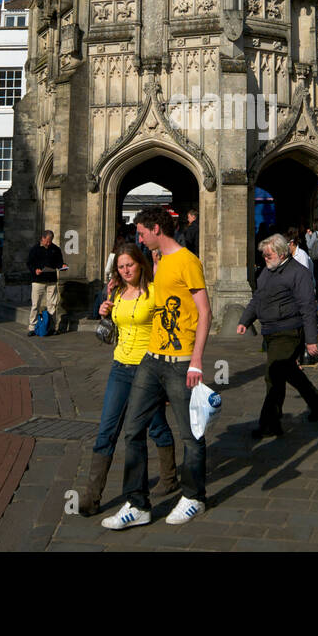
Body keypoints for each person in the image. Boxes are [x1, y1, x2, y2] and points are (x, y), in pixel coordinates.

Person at [102, 206, 211, 530]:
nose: (139, 237)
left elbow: (205, 313)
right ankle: (137, 504)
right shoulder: (157, 262)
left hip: (180, 363)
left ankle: (194, 497)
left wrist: (196, 361)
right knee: (133, 429)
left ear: (156, 230)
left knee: (191, 434)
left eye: (141, 232)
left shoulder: (188, 261)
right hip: (151, 359)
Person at [79, 243, 177, 516]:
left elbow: (170, 330)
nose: (125, 270)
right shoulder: (117, 292)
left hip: (149, 370)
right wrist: (105, 313)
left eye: (129, 265)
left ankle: (169, 478)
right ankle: (92, 496)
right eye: (121, 267)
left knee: (155, 426)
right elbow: (112, 331)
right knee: (106, 430)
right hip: (120, 367)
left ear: (140, 264)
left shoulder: (156, 292)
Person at [238, 233, 318, 439]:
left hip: (289, 331)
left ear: (280, 253)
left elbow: (307, 307)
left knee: (273, 374)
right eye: (264, 255)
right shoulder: (266, 273)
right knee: (289, 372)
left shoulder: (299, 273)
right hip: (270, 331)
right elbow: (257, 299)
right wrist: (245, 320)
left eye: (268, 255)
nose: (265, 258)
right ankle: (316, 400)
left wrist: (312, 340)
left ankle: (269, 423)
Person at [25, 230, 66, 335]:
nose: (48, 243)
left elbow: (59, 262)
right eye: (47, 241)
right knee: (35, 304)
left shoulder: (55, 249)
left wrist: (63, 266)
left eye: (50, 241)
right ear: (42, 238)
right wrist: (35, 270)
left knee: (52, 304)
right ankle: (32, 327)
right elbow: (29, 263)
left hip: (51, 280)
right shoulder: (35, 249)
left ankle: (51, 327)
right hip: (38, 280)